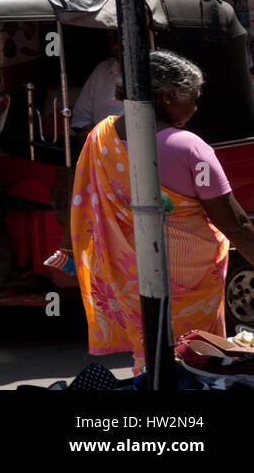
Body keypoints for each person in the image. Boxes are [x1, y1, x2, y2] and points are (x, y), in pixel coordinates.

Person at [70, 50, 254, 374]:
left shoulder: (100, 136)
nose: (195, 109)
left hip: (134, 278)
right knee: (195, 360)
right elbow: (235, 223)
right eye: (193, 99)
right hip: (189, 280)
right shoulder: (189, 147)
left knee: (152, 360)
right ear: (169, 96)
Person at [71, 33, 123, 135]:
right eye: (113, 40)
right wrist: (92, 134)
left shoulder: (153, 73)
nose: (116, 46)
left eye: (121, 39)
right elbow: (81, 118)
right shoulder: (102, 69)